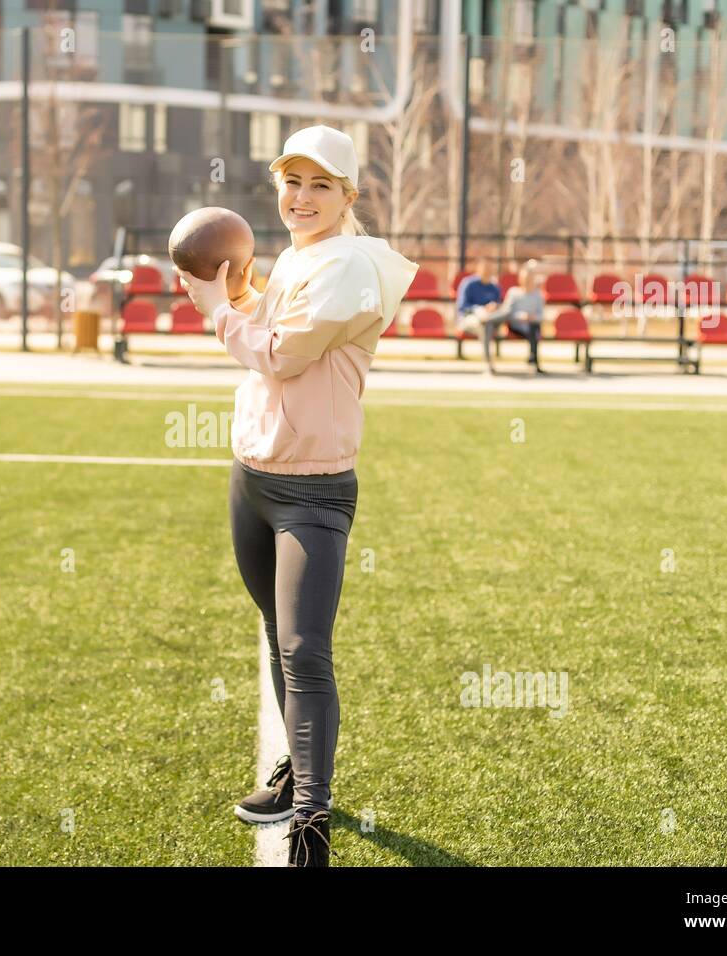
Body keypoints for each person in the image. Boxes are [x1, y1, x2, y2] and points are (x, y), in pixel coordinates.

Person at [177, 124, 418, 867]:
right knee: (279, 638)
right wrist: (240, 290)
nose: (301, 198)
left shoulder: (350, 266)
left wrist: (214, 305)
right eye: (292, 182)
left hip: (312, 489)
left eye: (320, 184)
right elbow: (269, 327)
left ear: (349, 194)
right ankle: (292, 779)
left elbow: (279, 356)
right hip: (252, 476)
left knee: (305, 648)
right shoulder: (302, 256)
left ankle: (312, 814)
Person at [480, 259, 546, 375]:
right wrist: (520, 316)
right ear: (520, 279)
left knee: (534, 327)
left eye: (529, 278)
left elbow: (541, 316)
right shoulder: (514, 292)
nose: (527, 281)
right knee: (532, 329)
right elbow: (507, 312)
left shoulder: (538, 295)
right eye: (525, 278)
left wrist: (533, 318)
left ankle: (533, 361)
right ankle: (532, 361)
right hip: (515, 326)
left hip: (531, 326)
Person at [454, 257, 501, 337]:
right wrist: (479, 309)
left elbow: (498, 305)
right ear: (478, 268)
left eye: (489, 268)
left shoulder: (495, 287)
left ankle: (487, 349)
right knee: (483, 325)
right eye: (485, 267)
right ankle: (487, 349)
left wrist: (495, 307)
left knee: (488, 323)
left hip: (489, 319)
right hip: (468, 319)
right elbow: (462, 306)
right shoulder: (468, 283)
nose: (487, 271)